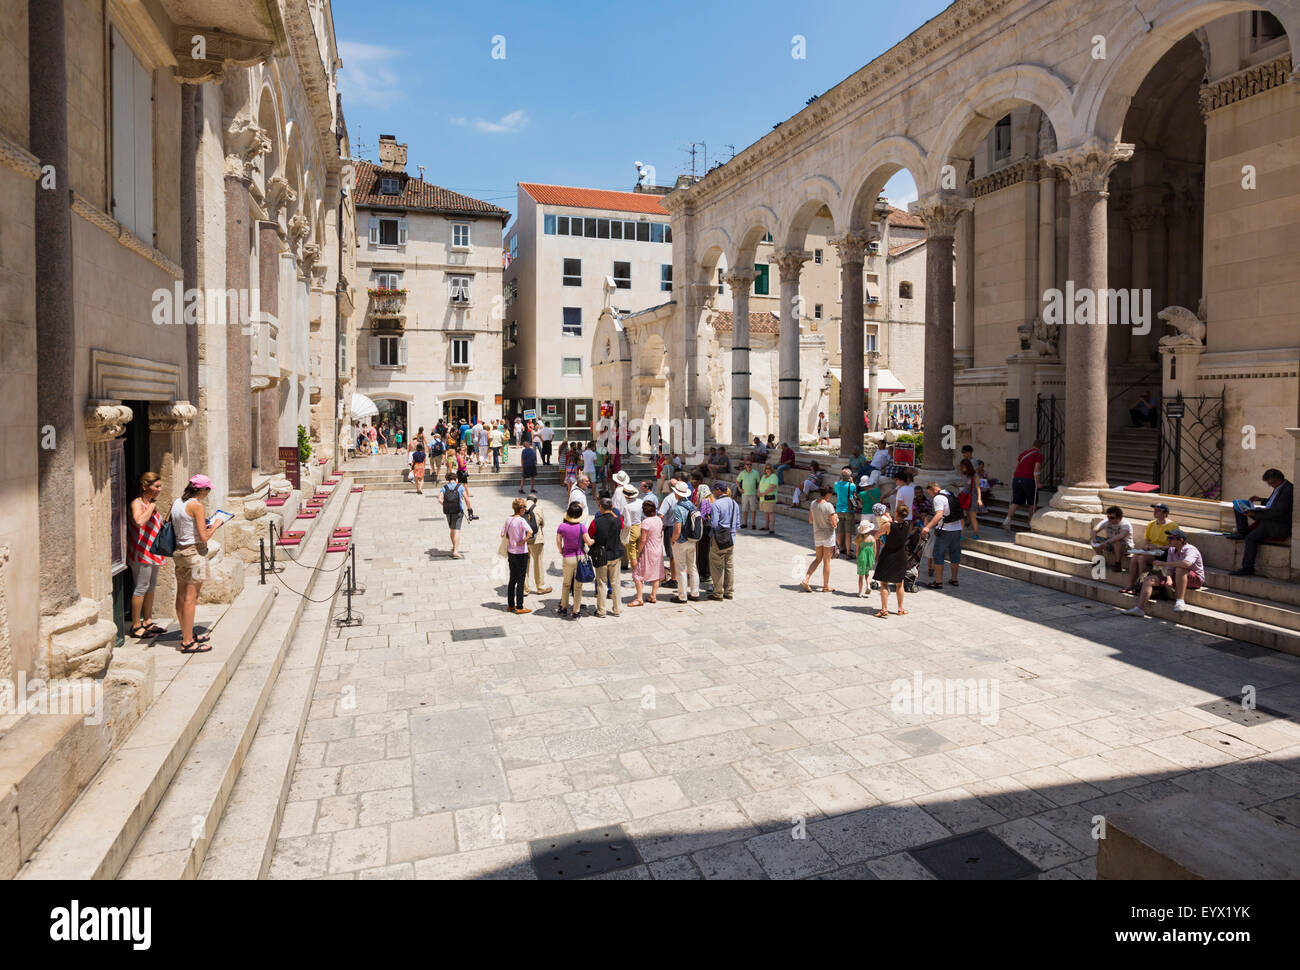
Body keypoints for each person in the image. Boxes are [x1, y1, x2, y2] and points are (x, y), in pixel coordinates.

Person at [171, 474, 225, 652]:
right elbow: (204, 538)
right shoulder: (197, 505)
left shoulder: (177, 502)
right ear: (201, 490)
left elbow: (168, 523)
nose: (208, 493)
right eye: (207, 490)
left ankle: (186, 632)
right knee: (191, 598)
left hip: (180, 552)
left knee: (181, 595)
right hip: (195, 556)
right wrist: (216, 524)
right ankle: (187, 642)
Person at [1228, 468, 1294, 576]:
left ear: (1277, 480)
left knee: (1251, 538)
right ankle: (1242, 532)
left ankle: (1248, 568)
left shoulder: (1288, 489)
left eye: (1270, 483)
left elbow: (1278, 511)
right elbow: (1273, 502)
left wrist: (1255, 514)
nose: (1270, 486)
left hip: (1275, 523)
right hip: (1267, 516)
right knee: (1238, 507)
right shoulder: (1279, 487)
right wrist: (1261, 499)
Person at [1124, 529, 1205, 616]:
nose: (1168, 540)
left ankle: (1180, 601)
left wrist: (1163, 563)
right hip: (1176, 575)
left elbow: (1185, 564)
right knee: (1148, 580)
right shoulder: (1171, 549)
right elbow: (1169, 568)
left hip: (1196, 579)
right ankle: (1139, 609)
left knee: (1180, 568)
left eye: (1171, 538)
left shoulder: (1190, 549)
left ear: (1180, 540)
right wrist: (1169, 578)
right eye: (1168, 538)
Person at [128, 472, 166, 639]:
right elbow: (139, 521)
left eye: (160, 486)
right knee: (141, 587)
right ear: (144, 486)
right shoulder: (137, 503)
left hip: (153, 551)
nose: (159, 489)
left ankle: (148, 620)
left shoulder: (151, 503)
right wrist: (150, 508)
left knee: (151, 587)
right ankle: (136, 626)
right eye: (156, 486)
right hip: (141, 552)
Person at [1122, 502, 1178, 594]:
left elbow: (1174, 544)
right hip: (1152, 551)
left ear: (1165, 514)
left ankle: (1139, 586)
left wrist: (1159, 547)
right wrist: (1147, 546)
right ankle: (1130, 584)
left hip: (1164, 552)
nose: (1155, 512)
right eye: (1155, 510)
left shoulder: (1173, 526)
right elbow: (1147, 540)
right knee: (1134, 557)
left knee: (1141, 558)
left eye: (1158, 510)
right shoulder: (1151, 524)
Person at [922, 481, 964, 588]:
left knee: (938, 555)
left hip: (945, 529)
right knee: (955, 554)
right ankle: (954, 579)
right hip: (957, 528)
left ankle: (938, 581)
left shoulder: (938, 498)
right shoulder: (951, 494)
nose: (931, 495)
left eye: (930, 493)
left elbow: (939, 515)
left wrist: (927, 527)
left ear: (934, 489)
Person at [872, 504, 911, 617]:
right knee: (900, 583)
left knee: (884, 583)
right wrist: (890, 519)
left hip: (888, 555)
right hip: (901, 556)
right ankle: (900, 609)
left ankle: (884, 609)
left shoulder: (888, 525)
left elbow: (877, 535)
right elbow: (897, 525)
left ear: (896, 513)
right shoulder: (907, 525)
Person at [556, 501, 592, 619]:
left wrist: (561, 550)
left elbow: (558, 541)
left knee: (566, 584)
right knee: (578, 586)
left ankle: (563, 607)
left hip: (567, 557)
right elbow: (589, 542)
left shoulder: (562, 526)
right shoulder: (582, 527)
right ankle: (576, 611)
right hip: (579, 557)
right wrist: (594, 540)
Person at [589, 496, 624, 617]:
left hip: (601, 555)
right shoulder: (618, 520)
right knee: (615, 583)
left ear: (601, 507)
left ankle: (601, 610)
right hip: (615, 553)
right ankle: (617, 609)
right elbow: (621, 527)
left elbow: (590, 534)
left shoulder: (595, 522)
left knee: (601, 583)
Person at [801, 485, 839, 592]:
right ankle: (826, 586)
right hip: (828, 536)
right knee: (826, 561)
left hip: (817, 535)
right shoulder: (829, 506)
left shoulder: (813, 503)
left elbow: (810, 520)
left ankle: (806, 579)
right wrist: (836, 518)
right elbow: (834, 524)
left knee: (818, 559)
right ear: (827, 494)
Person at [501, 498, 534, 614]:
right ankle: (520, 606)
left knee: (512, 579)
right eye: (524, 507)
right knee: (521, 580)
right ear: (520, 509)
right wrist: (523, 540)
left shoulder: (508, 519)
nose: (525, 510)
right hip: (521, 553)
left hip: (511, 552)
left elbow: (502, 534)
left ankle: (510, 605)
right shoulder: (521, 520)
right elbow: (530, 532)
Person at [708, 481, 739, 600]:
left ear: (719, 490)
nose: (713, 493)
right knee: (729, 565)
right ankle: (729, 591)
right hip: (731, 538)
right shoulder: (734, 503)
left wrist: (709, 519)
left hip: (718, 538)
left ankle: (718, 593)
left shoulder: (716, 504)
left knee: (716, 566)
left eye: (714, 490)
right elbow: (737, 524)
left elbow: (714, 524)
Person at [631, 498, 665, 606]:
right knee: (656, 573)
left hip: (648, 550)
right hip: (658, 548)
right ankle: (653, 596)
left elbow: (643, 540)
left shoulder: (645, 522)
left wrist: (638, 551)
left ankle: (639, 598)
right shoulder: (659, 520)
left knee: (637, 574)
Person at [1004, 439, 1044, 530]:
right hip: (1029, 480)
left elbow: (1016, 467)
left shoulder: (1023, 454)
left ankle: (1007, 520)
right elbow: (1036, 469)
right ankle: (1030, 522)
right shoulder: (1038, 455)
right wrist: (1037, 483)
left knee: (1015, 501)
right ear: (1040, 447)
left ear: (1033, 445)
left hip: (1017, 479)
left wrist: (1015, 478)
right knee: (1032, 502)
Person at [522, 492, 553, 596]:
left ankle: (524, 589)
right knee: (538, 563)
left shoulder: (520, 507)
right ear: (535, 501)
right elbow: (542, 523)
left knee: (524, 564)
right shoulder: (538, 508)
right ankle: (540, 587)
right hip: (536, 539)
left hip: (524, 539)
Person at [437, 470, 473, 559]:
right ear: (456, 479)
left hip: (448, 511)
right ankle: (455, 551)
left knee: (452, 529)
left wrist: (446, 505)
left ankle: (453, 547)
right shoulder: (460, 487)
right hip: (458, 511)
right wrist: (470, 510)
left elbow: (439, 499)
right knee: (457, 530)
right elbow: (467, 499)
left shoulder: (445, 487)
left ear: (448, 479)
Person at [1090, 505, 1134, 573]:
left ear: (1119, 518)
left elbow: (1121, 535)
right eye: (1108, 516)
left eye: (1112, 517)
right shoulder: (1106, 521)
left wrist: (1107, 542)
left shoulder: (1125, 524)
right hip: (1110, 544)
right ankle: (1101, 561)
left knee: (1117, 541)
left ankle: (1118, 564)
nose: (1109, 519)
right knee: (1094, 540)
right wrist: (1093, 538)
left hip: (1125, 547)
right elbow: (1094, 530)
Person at [833, 467, 859, 559]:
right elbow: (854, 493)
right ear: (849, 477)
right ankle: (848, 553)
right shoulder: (852, 485)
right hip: (849, 510)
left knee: (839, 531)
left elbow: (836, 492)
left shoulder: (836, 484)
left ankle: (838, 549)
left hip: (839, 509)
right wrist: (851, 481)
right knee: (848, 533)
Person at [694, 481, 714, 587]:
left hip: (704, 529)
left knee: (702, 552)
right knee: (707, 552)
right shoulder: (711, 500)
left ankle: (704, 574)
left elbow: (703, 516)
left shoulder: (705, 501)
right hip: (709, 529)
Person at [620, 482, 643, 570]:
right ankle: (640, 572)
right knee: (639, 552)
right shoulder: (641, 502)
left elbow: (627, 522)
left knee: (632, 554)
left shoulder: (627, 506)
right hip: (640, 526)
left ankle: (635, 574)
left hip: (632, 529)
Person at [958, 458, 983, 538]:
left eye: (963, 466)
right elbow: (965, 485)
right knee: (961, 517)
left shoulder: (974, 475)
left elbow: (978, 487)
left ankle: (975, 533)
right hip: (964, 497)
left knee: (972, 517)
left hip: (972, 498)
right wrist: (958, 485)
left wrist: (979, 499)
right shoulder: (964, 475)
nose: (962, 468)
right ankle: (961, 534)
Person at [855, 518, 878, 599]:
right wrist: (873, 559)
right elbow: (875, 550)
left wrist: (857, 558)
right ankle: (868, 585)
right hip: (869, 558)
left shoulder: (859, 539)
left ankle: (860, 592)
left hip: (862, 558)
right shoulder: (872, 538)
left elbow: (857, 550)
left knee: (860, 576)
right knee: (867, 574)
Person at [736, 459, 761, 529]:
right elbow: (737, 481)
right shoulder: (742, 473)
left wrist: (758, 490)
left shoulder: (756, 473)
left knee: (753, 509)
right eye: (747, 464)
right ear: (745, 466)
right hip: (744, 494)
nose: (749, 466)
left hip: (753, 494)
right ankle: (745, 523)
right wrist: (739, 489)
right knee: (744, 509)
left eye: (750, 464)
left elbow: (759, 482)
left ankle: (753, 524)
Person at [758, 463, 780, 533]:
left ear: (771, 469)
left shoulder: (773, 476)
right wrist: (758, 492)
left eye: (769, 468)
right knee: (766, 512)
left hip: (770, 498)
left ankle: (771, 529)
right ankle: (766, 526)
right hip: (763, 498)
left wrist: (763, 493)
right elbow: (759, 485)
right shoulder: (764, 476)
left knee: (770, 512)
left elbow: (772, 487)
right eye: (766, 468)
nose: (768, 470)